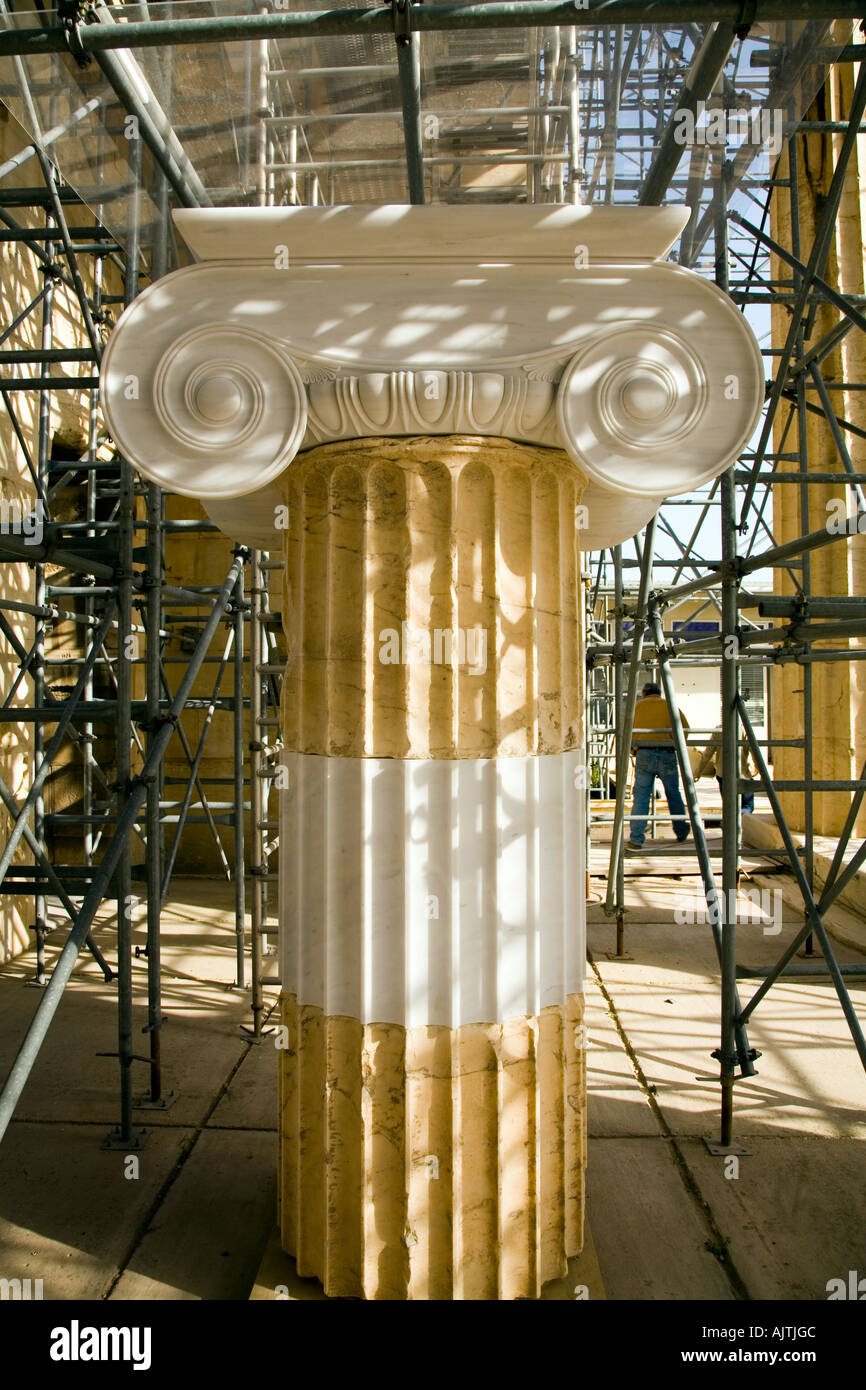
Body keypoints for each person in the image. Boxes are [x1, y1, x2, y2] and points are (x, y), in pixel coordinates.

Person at [627, 682, 690, 849]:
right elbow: (685, 729)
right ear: (659, 693)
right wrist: (674, 744)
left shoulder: (637, 707)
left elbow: (627, 731)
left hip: (644, 753)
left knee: (641, 796)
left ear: (644, 693)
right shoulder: (669, 705)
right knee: (673, 794)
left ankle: (636, 839)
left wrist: (634, 749)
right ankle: (681, 830)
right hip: (667, 753)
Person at [694, 727, 758, 814]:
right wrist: (759, 768)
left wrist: (698, 772)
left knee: (730, 806)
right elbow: (754, 750)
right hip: (742, 774)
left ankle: (731, 823)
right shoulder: (744, 729)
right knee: (747, 806)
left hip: (723, 774)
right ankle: (740, 819)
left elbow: (708, 753)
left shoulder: (719, 730)